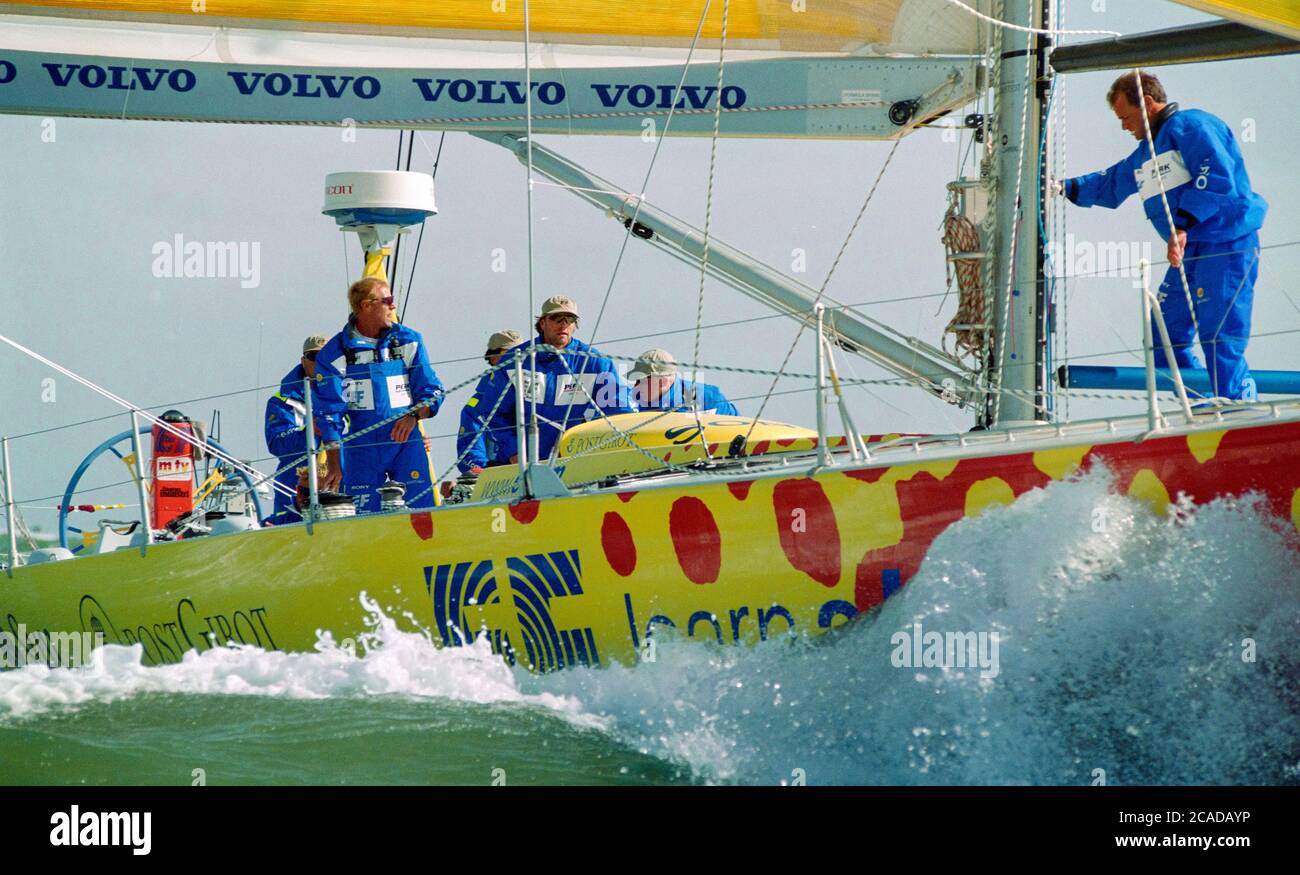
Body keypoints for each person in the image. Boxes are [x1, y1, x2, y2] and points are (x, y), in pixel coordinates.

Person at [1057, 70, 1267, 401]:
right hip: (1188, 253)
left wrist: (1182, 224)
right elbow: (1112, 182)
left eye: (1126, 118)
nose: (1124, 127)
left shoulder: (1193, 126)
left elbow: (1216, 175)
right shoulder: (1146, 153)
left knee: (1219, 335)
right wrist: (1064, 187)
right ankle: (1201, 404)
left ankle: (1237, 406)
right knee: (1164, 338)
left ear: (1147, 103)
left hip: (1226, 244)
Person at [312, 277, 444, 512]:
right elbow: (330, 411)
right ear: (366, 306)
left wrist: (413, 416)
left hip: (405, 441)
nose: (393, 305)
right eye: (388, 300)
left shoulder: (409, 340)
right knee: (361, 517)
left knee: (422, 512)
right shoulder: (334, 353)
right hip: (361, 448)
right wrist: (333, 462)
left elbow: (432, 390)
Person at [479, 295, 637, 462]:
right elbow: (493, 413)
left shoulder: (595, 362)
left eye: (570, 319)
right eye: (557, 318)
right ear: (542, 323)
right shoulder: (515, 361)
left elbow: (618, 411)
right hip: (522, 463)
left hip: (575, 459)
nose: (563, 324)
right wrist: (514, 451)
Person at [263, 334, 331, 522]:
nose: (319, 362)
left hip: (338, 481)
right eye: (313, 356)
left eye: (325, 357)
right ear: (303, 360)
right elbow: (277, 443)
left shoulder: (348, 393)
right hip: (294, 487)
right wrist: (310, 432)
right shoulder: (282, 400)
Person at [455, 329, 524, 475]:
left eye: (522, 353)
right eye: (510, 353)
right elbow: (469, 452)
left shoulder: (537, 395)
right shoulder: (477, 405)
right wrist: (488, 471)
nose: (518, 359)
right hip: (497, 477)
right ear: (493, 358)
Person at [629, 348, 739, 415]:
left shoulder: (708, 398)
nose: (636, 386)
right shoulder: (631, 403)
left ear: (663, 382)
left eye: (642, 381)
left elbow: (739, 430)